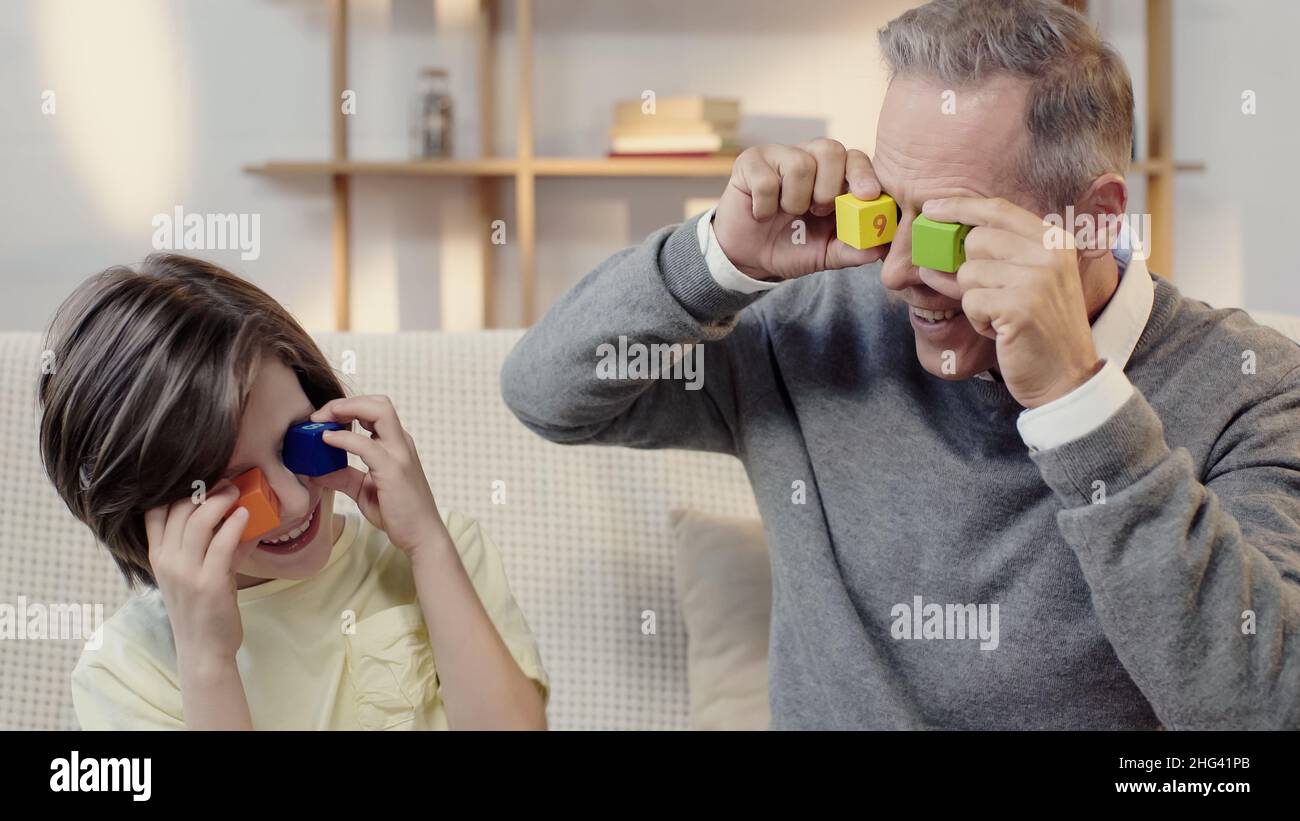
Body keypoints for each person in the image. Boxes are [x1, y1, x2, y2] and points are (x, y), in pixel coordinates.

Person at [501, 0, 1300, 729]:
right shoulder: (817, 325)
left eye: (950, 230)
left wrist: (1076, 403)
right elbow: (545, 393)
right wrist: (716, 259)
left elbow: (1264, 710)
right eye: (890, 210)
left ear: (1093, 222)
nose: (896, 273)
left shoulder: (1251, 387)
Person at [40, 254, 548, 729]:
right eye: (239, 487)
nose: (299, 500)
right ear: (142, 514)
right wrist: (207, 663)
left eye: (297, 444)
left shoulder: (438, 554)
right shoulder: (125, 670)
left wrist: (429, 548)